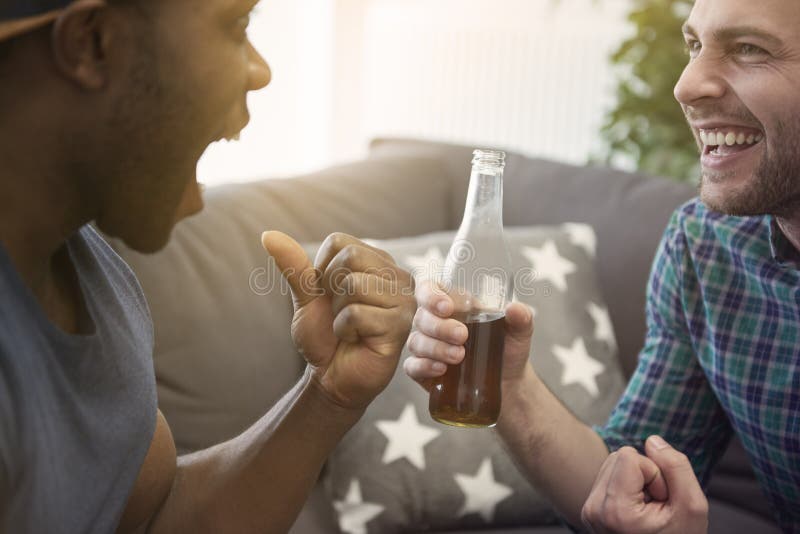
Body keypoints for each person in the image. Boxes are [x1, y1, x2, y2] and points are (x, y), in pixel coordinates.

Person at [0, 1, 416, 532]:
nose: (261, 71)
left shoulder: (87, 264)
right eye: (237, 24)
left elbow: (154, 516)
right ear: (92, 42)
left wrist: (329, 396)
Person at [405, 0, 800, 532]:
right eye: (694, 46)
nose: (686, 85)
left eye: (749, 49)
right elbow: (622, 476)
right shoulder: (706, 248)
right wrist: (509, 384)